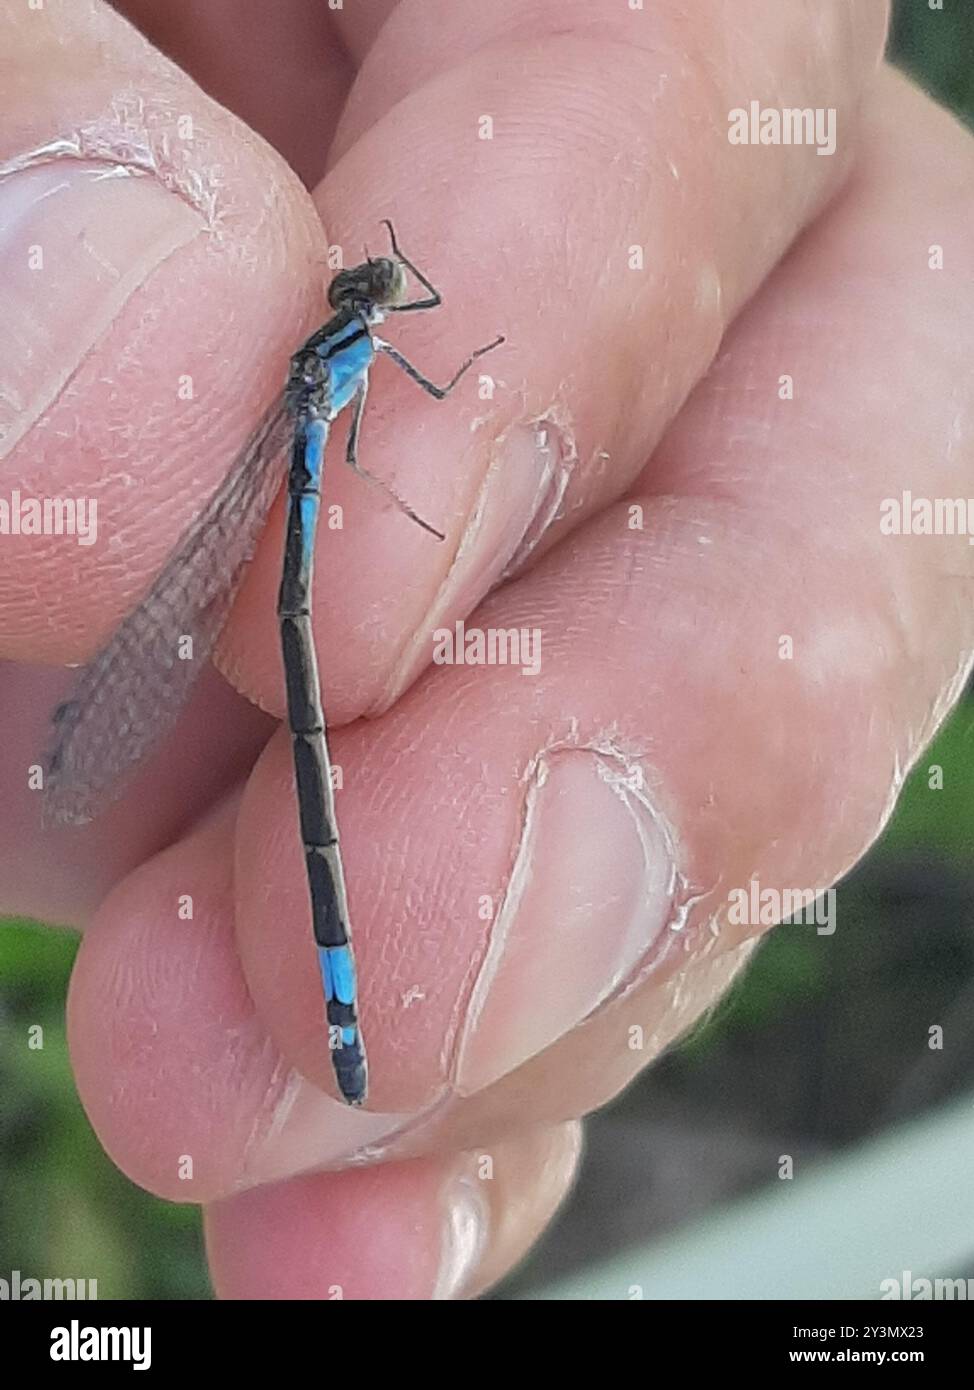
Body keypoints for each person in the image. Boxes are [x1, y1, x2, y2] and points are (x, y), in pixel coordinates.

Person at [1, 0, 971, 1299]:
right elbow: (405, 423)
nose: (382, 293)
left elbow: (422, 399)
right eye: (371, 293)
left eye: (376, 290)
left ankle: (350, 1015)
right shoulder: (320, 360)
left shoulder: (356, 341)